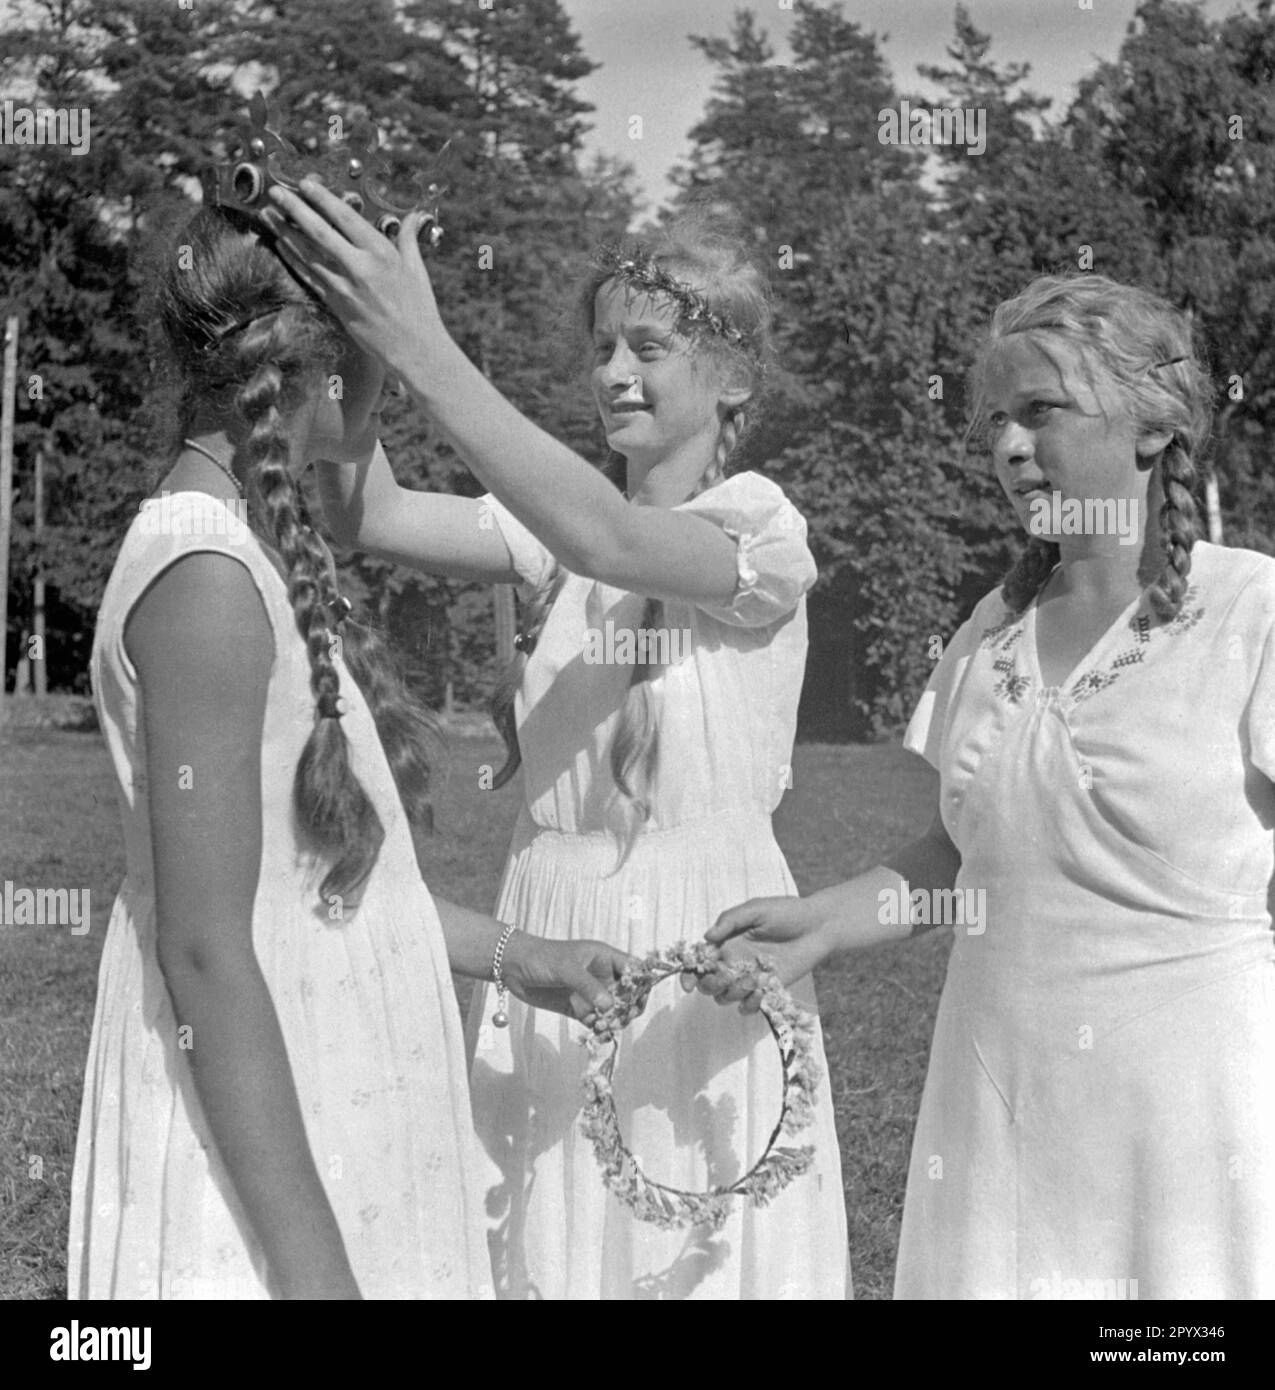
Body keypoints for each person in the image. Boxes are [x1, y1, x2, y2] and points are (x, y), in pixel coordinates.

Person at [263, 184, 851, 1299]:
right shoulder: (560, 539)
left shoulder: (760, 530)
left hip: (705, 935)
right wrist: (360, 340)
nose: (614, 372)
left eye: (649, 347)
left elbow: (614, 534)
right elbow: (364, 514)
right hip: (551, 925)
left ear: (732, 379)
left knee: (690, 1253)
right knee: (547, 1248)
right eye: (601, 348)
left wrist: (428, 345)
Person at [68, 200, 629, 1300]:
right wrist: (317, 1275)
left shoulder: (245, 556)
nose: (380, 409)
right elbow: (205, 955)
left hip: (334, 1100)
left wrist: (530, 958)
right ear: (304, 376)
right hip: (265, 1170)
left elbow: (315, 899)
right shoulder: (205, 580)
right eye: (374, 369)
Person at [700, 273, 1275, 1299]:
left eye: (1041, 411)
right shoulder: (985, 633)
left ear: (1152, 430)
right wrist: (824, 923)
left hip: (1196, 1118)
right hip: (998, 1098)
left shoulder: (1253, 611)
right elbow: (968, 854)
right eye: (995, 422)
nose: (1010, 446)